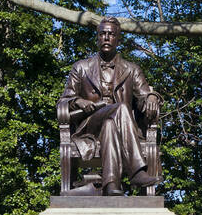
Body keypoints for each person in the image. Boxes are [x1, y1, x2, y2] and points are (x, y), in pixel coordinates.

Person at [58, 17, 162, 194]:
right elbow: (63, 101)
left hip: (119, 129)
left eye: (111, 34)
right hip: (90, 127)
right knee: (121, 107)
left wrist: (152, 96)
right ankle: (136, 171)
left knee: (110, 124)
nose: (106, 38)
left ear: (118, 39)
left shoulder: (132, 69)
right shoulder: (81, 67)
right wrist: (78, 101)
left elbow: (144, 96)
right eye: (102, 34)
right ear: (97, 38)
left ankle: (111, 185)